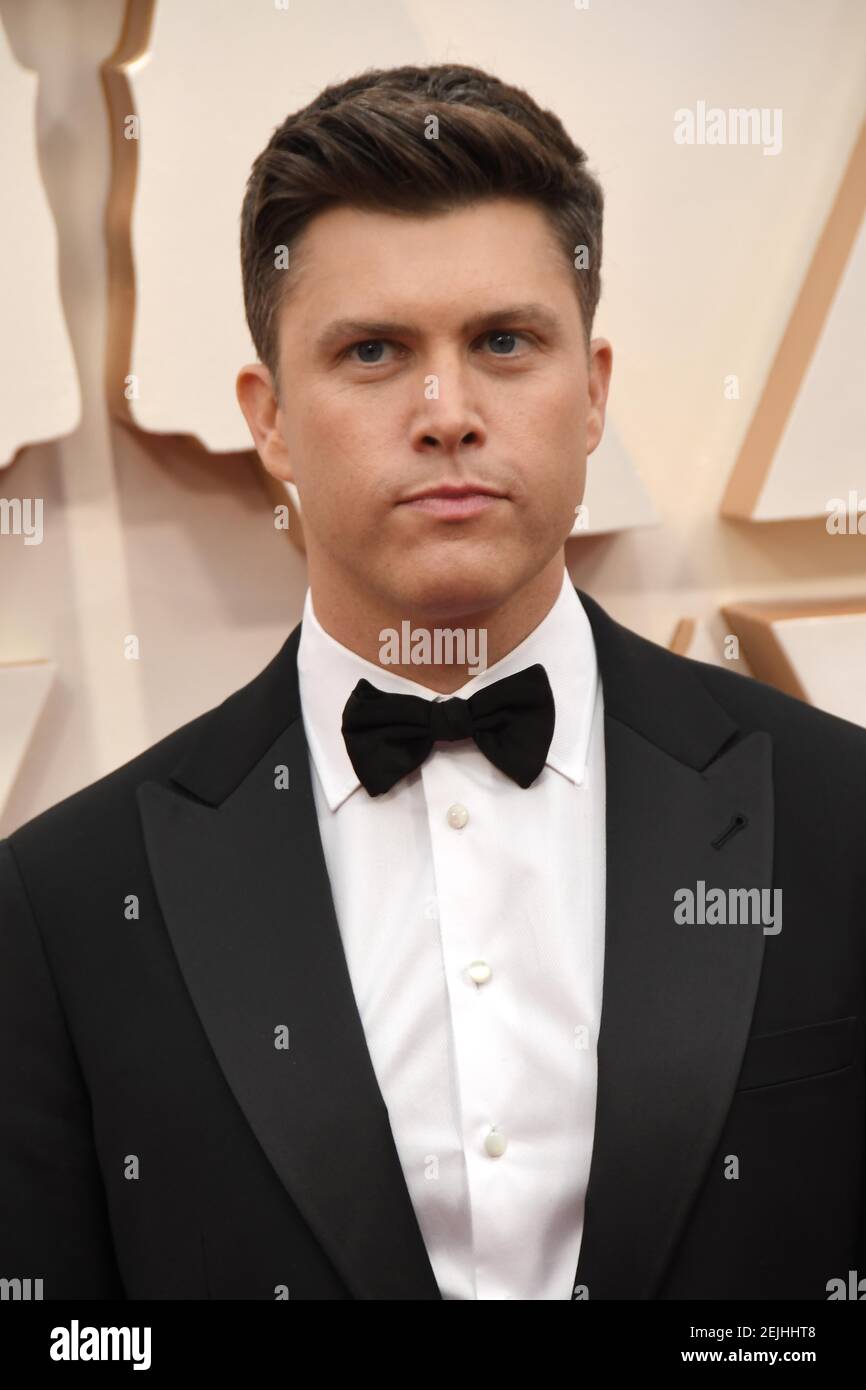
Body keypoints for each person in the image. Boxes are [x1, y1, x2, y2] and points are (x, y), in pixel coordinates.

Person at [1, 63, 864, 1302]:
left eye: (503, 342)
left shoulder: (841, 818)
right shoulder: (64, 905)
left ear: (592, 395)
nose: (445, 411)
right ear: (272, 421)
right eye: (371, 351)